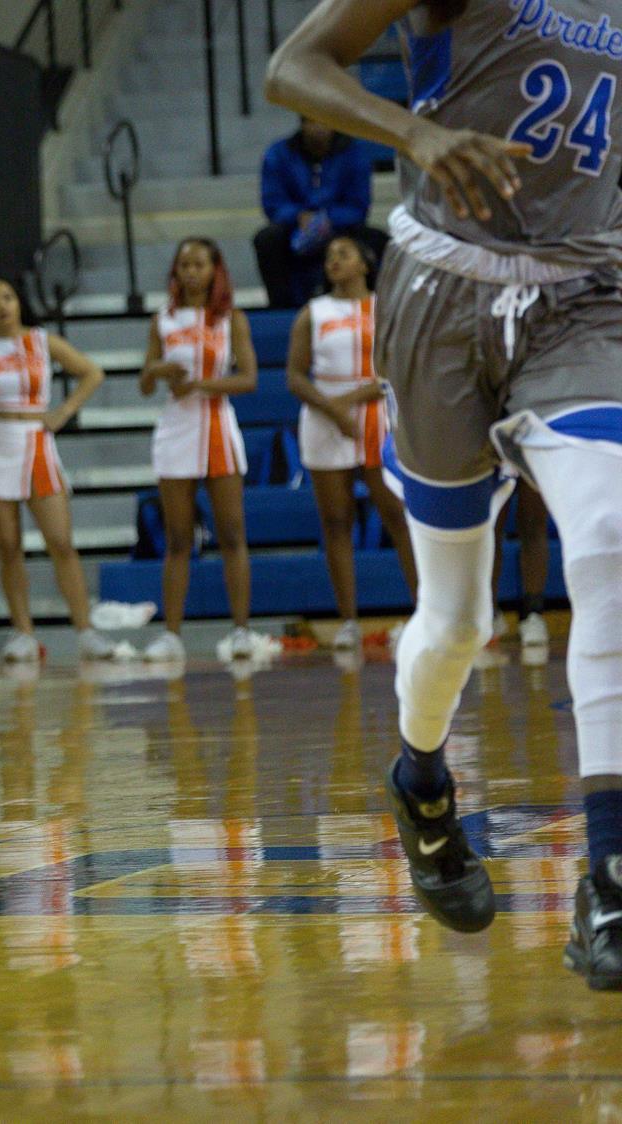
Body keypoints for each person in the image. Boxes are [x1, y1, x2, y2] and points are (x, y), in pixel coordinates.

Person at [269, 0, 622, 982]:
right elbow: (293, 66)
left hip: (583, 297)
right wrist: (414, 132)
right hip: (440, 297)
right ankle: (420, 777)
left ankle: (609, 874)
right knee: (456, 619)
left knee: (605, 539)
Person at [0, 278, 116, 662]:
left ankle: (86, 630)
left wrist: (64, 412)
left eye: (7, 297)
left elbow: (92, 372)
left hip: (37, 441)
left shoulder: (43, 341)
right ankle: (23, 632)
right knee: (8, 546)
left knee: (61, 542)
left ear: (19, 302)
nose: (1, 306)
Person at [284, 234, 416, 648]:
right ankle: (348, 622)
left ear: (365, 263)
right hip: (325, 418)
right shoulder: (313, 312)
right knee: (336, 523)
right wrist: (333, 409)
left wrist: (353, 402)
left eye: (344, 253)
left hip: (377, 414)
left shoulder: (387, 305)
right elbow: (294, 376)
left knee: (397, 514)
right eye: (329, 257)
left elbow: (401, 362)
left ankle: (425, 610)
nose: (334, 261)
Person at [139, 238, 259, 661]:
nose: (190, 271)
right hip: (176, 427)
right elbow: (145, 383)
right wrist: (157, 369)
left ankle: (242, 631)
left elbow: (248, 379)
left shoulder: (231, 319)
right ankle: (171, 634)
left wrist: (202, 384)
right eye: (183, 264)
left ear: (215, 270)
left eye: (199, 264)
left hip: (217, 425)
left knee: (231, 533)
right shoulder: (163, 320)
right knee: (177, 538)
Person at [254, 115, 385, 309]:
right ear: (302, 124)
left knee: (377, 240)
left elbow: (359, 206)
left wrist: (327, 218)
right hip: (296, 228)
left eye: (324, 120)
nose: (318, 127)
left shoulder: (354, 152)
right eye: (312, 121)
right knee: (267, 239)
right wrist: (299, 215)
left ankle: (372, 304)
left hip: (339, 226)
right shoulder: (279, 153)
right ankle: (281, 308)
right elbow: (272, 203)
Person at [494, 479, 551, 650]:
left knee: (533, 523)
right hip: (493, 454)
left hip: (532, 452)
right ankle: (489, 613)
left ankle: (533, 613)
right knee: (490, 525)